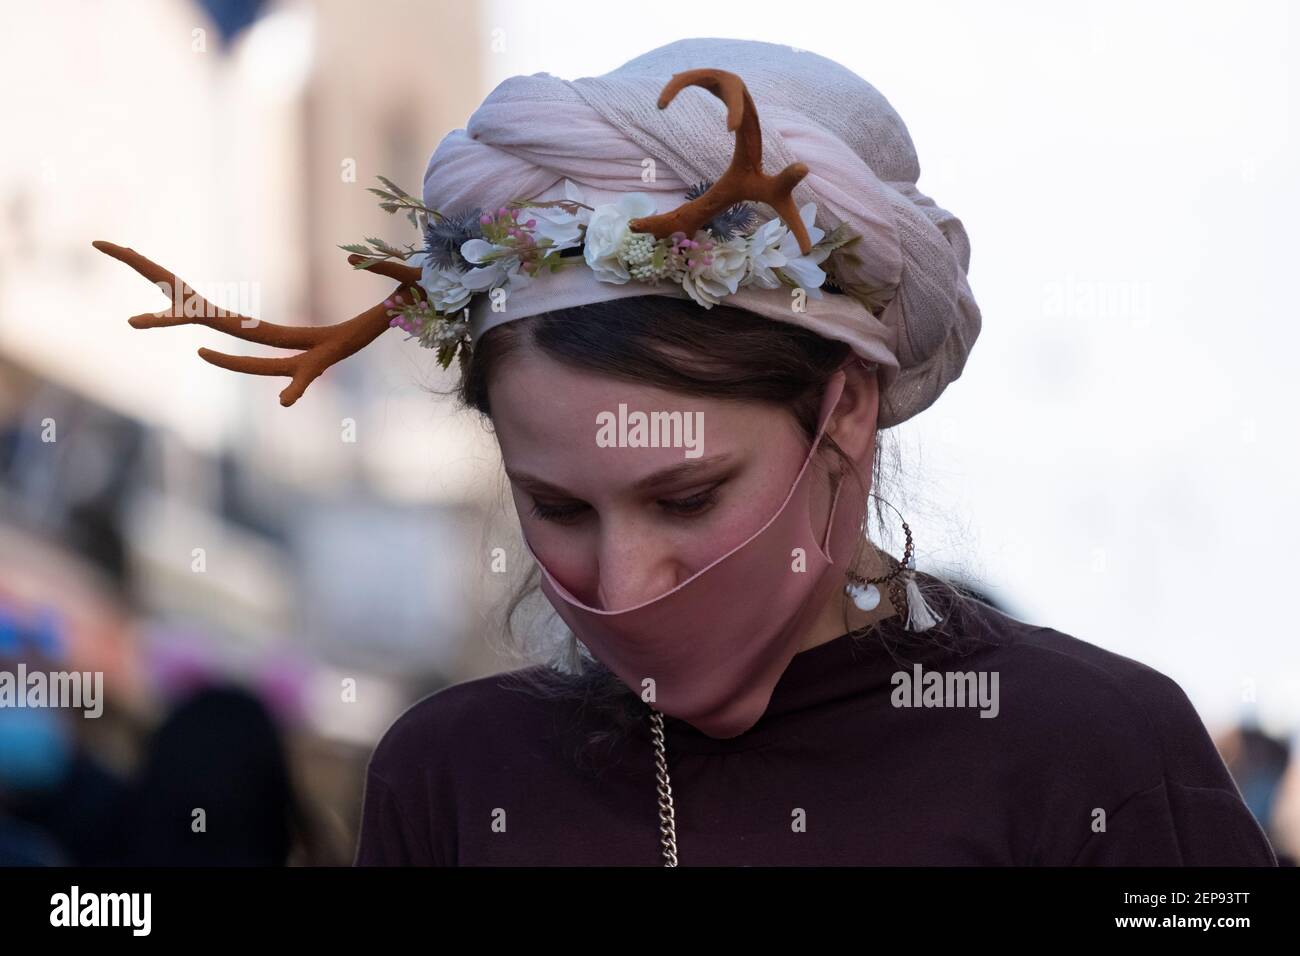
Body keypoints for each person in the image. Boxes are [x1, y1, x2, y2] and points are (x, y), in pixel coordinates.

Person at [92, 37, 1279, 867]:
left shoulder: (1099, 754)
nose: (620, 584)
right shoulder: (453, 777)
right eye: (555, 507)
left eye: (690, 495)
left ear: (846, 410)